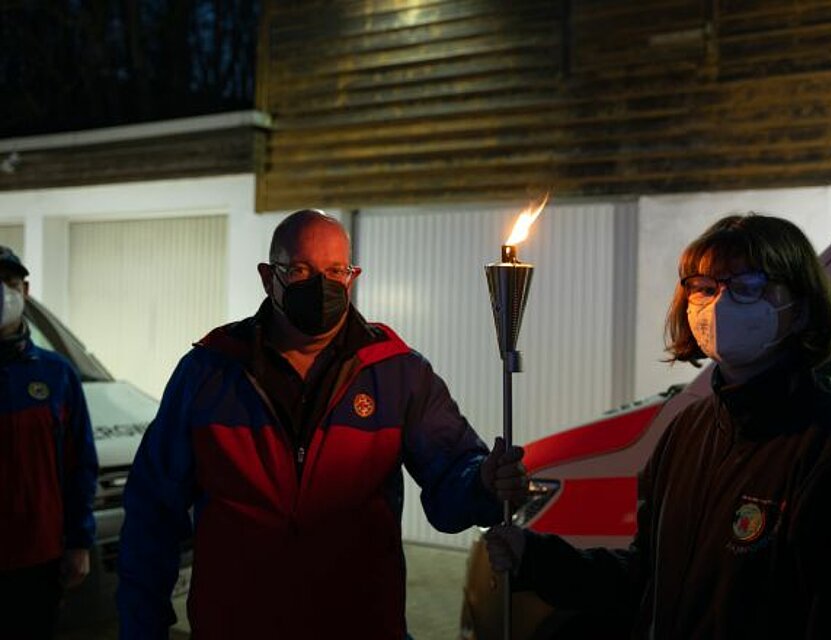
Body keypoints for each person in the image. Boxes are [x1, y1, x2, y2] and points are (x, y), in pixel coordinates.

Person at [486, 214, 831, 639]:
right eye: (704, 288)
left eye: (748, 287)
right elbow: (648, 583)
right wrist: (537, 560)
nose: (720, 304)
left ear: (801, 308)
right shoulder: (686, 432)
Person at [117, 209, 528, 639]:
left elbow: (450, 485)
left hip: (361, 624)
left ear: (352, 277)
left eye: (335, 271)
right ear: (266, 277)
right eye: (300, 269)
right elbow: (152, 513)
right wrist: (142, 625)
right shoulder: (209, 372)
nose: (321, 286)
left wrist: (482, 480)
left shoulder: (396, 372)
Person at [0, 246, 98, 640]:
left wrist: (79, 542)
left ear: (24, 290)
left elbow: (80, 464)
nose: (2, 294)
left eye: (8, 283)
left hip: (38, 558)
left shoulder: (56, 374)